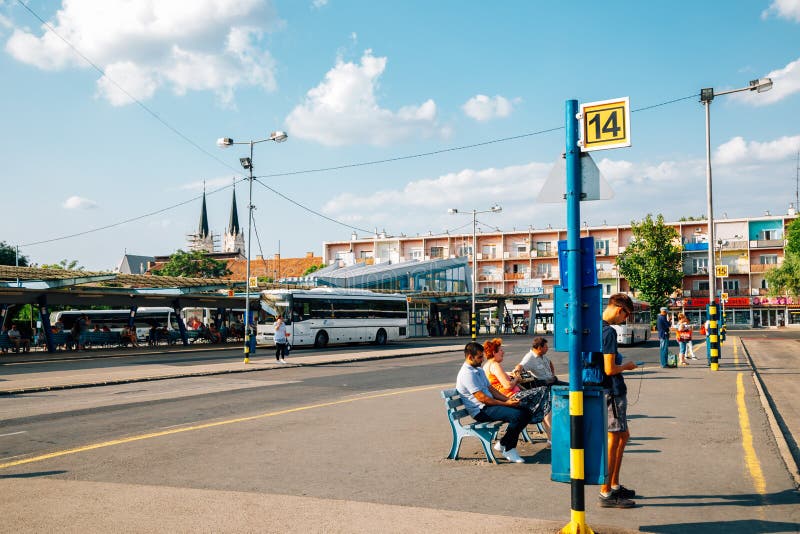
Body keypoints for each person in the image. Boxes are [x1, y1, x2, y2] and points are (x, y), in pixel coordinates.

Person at [456, 341, 533, 463]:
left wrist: (508, 400)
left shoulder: (478, 370)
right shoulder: (467, 374)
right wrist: (506, 404)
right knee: (517, 416)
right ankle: (509, 448)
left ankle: (503, 443)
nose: (482, 359)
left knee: (527, 411)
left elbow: (492, 390)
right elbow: (483, 398)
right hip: (481, 411)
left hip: (489, 406)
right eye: (480, 357)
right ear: (470, 357)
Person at [597, 293, 639, 508]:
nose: (625, 320)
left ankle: (613, 484)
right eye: (627, 316)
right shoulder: (608, 332)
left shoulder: (595, 326)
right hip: (611, 391)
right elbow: (609, 368)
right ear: (619, 309)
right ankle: (606, 491)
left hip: (607, 391)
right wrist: (627, 366)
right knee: (614, 439)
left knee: (623, 436)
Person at [516, 337, 563, 444]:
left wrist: (552, 374)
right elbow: (520, 366)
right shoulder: (530, 357)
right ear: (539, 348)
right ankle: (553, 437)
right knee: (569, 393)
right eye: (546, 347)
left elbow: (550, 363)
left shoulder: (543, 356)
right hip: (544, 385)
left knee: (574, 389)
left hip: (552, 381)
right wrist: (518, 374)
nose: (548, 348)